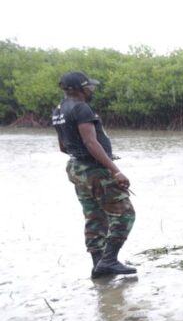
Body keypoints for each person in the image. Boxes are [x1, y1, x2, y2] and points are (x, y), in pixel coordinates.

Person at [52, 70, 138, 278]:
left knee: (94, 216)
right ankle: (109, 260)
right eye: (88, 85)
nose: (91, 89)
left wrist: (84, 158)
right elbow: (91, 142)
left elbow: (63, 146)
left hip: (76, 167)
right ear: (80, 89)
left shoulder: (58, 110)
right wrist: (115, 170)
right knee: (125, 214)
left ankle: (98, 266)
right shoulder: (81, 109)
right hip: (94, 170)